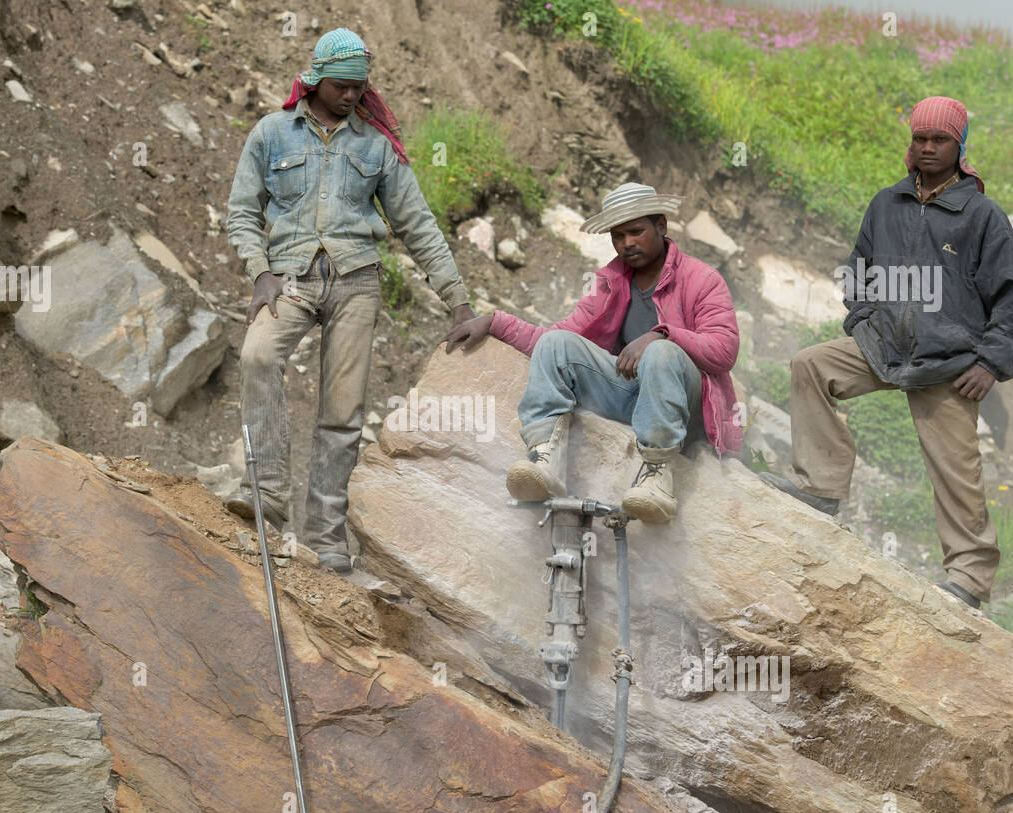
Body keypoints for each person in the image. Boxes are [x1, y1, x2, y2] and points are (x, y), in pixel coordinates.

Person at [760, 96, 1013, 608]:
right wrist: (863, 320)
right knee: (811, 364)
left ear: (960, 147)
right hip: (884, 345)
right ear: (910, 144)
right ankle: (820, 487)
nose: (928, 147)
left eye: (940, 140)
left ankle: (969, 580)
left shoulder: (982, 215)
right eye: (920, 138)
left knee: (956, 472)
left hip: (950, 364)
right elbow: (859, 272)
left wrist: (990, 364)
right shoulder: (886, 203)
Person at [226, 28, 472, 572]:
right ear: (314, 80)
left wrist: (457, 301)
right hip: (289, 279)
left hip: (357, 283)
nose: (351, 97)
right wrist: (260, 272)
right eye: (340, 86)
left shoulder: (376, 145)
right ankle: (265, 500)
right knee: (257, 356)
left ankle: (326, 537)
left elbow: (418, 225)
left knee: (342, 413)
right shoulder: (270, 134)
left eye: (360, 89)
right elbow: (242, 212)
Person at [444, 182, 741, 523]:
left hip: (684, 409)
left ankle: (657, 477)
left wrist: (662, 334)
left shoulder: (703, 279)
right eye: (617, 235)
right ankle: (545, 459)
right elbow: (558, 339)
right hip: (634, 397)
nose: (626, 243)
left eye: (636, 231)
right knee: (556, 346)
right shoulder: (610, 280)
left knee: (661, 353)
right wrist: (496, 321)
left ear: (661, 226)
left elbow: (724, 350)